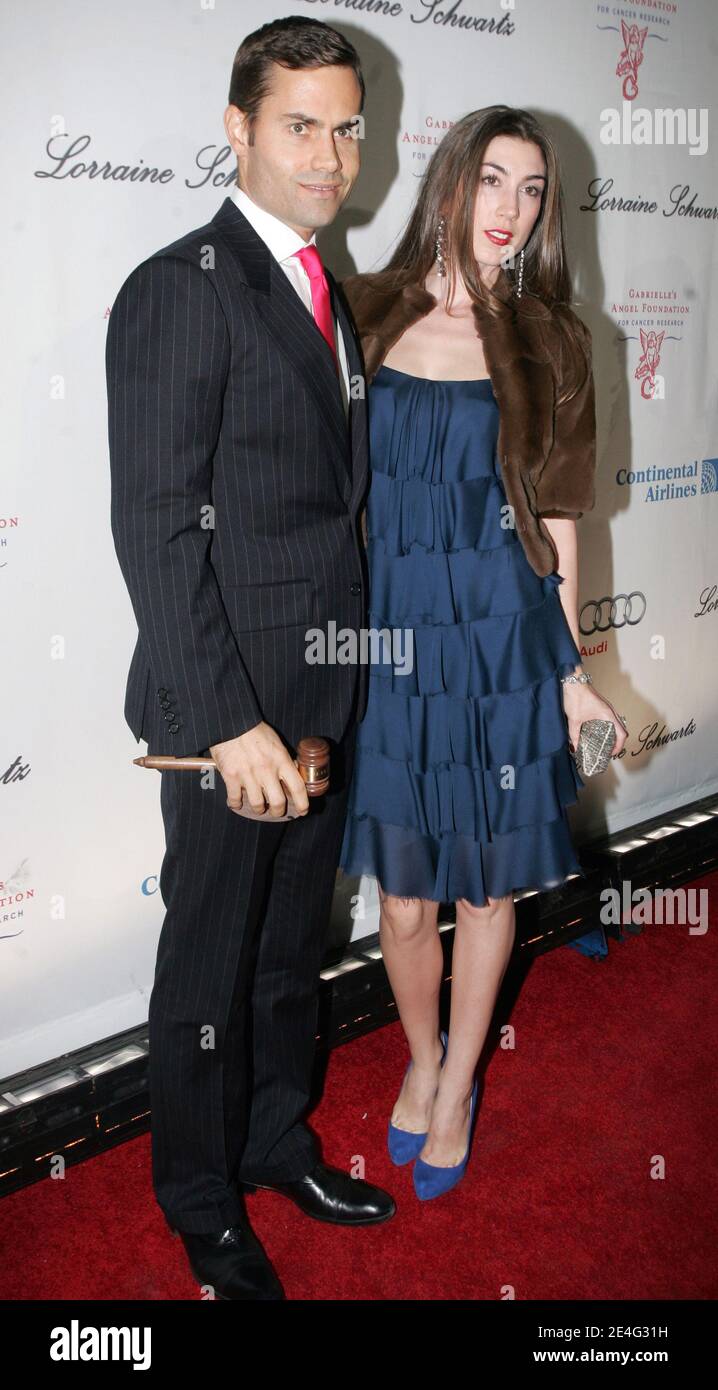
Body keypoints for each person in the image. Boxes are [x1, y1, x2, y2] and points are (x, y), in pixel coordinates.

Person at [106, 16, 394, 1302]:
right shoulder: (184, 285)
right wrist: (230, 722)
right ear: (238, 129)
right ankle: (201, 1204)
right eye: (299, 125)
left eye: (346, 126)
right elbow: (157, 524)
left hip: (320, 690)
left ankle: (276, 1142)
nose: (329, 155)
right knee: (208, 966)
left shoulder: (328, 288)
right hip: (228, 713)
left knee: (288, 954)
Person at [339, 106, 628, 1201]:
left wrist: (568, 668)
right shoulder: (360, 311)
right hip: (390, 644)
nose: (509, 211)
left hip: (503, 643)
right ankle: (420, 1059)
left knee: (488, 889)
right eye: (493, 180)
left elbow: (558, 520)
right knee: (405, 899)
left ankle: (459, 1082)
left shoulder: (553, 337)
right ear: (450, 185)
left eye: (533, 191)